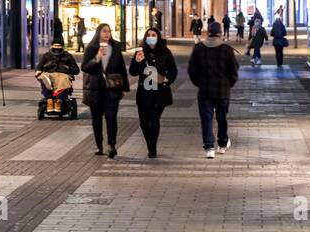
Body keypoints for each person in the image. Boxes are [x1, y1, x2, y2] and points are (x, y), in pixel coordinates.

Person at [187, 20, 239, 159]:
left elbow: (192, 70)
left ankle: (209, 147)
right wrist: (229, 84)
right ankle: (222, 144)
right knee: (222, 117)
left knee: (206, 118)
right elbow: (234, 71)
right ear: (220, 33)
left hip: (204, 90)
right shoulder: (227, 50)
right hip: (222, 90)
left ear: (208, 32)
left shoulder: (199, 48)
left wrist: (199, 83)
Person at [81, 24, 130, 159]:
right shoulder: (91, 48)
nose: (107, 34)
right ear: (98, 33)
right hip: (95, 89)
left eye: (109, 31)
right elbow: (85, 67)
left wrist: (124, 87)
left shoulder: (115, 48)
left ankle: (111, 145)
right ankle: (99, 145)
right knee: (96, 119)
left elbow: (121, 68)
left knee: (111, 117)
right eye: (104, 31)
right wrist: (97, 58)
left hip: (112, 89)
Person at [130, 27, 178, 159]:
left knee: (154, 120)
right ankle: (150, 144)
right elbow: (133, 72)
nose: (151, 37)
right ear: (145, 38)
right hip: (144, 92)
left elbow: (173, 70)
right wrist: (137, 61)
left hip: (160, 92)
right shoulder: (141, 52)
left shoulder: (165, 52)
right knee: (144, 122)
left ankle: (152, 149)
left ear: (158, 37)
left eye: (154, 35)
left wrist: (168, 80)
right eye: (149, 35)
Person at [35, 37, 80, 113]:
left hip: (63, 74)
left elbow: (76, 70)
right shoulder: (46, 55)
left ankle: (58, 101)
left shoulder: (68, 56)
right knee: (44, 77)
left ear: (62, 46)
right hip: (49, 74)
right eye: (55, 45)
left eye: (59, 46)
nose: (57, 47)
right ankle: (49, 100)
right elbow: (39, 67)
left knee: (63, 80)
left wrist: (67, 68)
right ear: (52, 46)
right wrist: (38, 71)